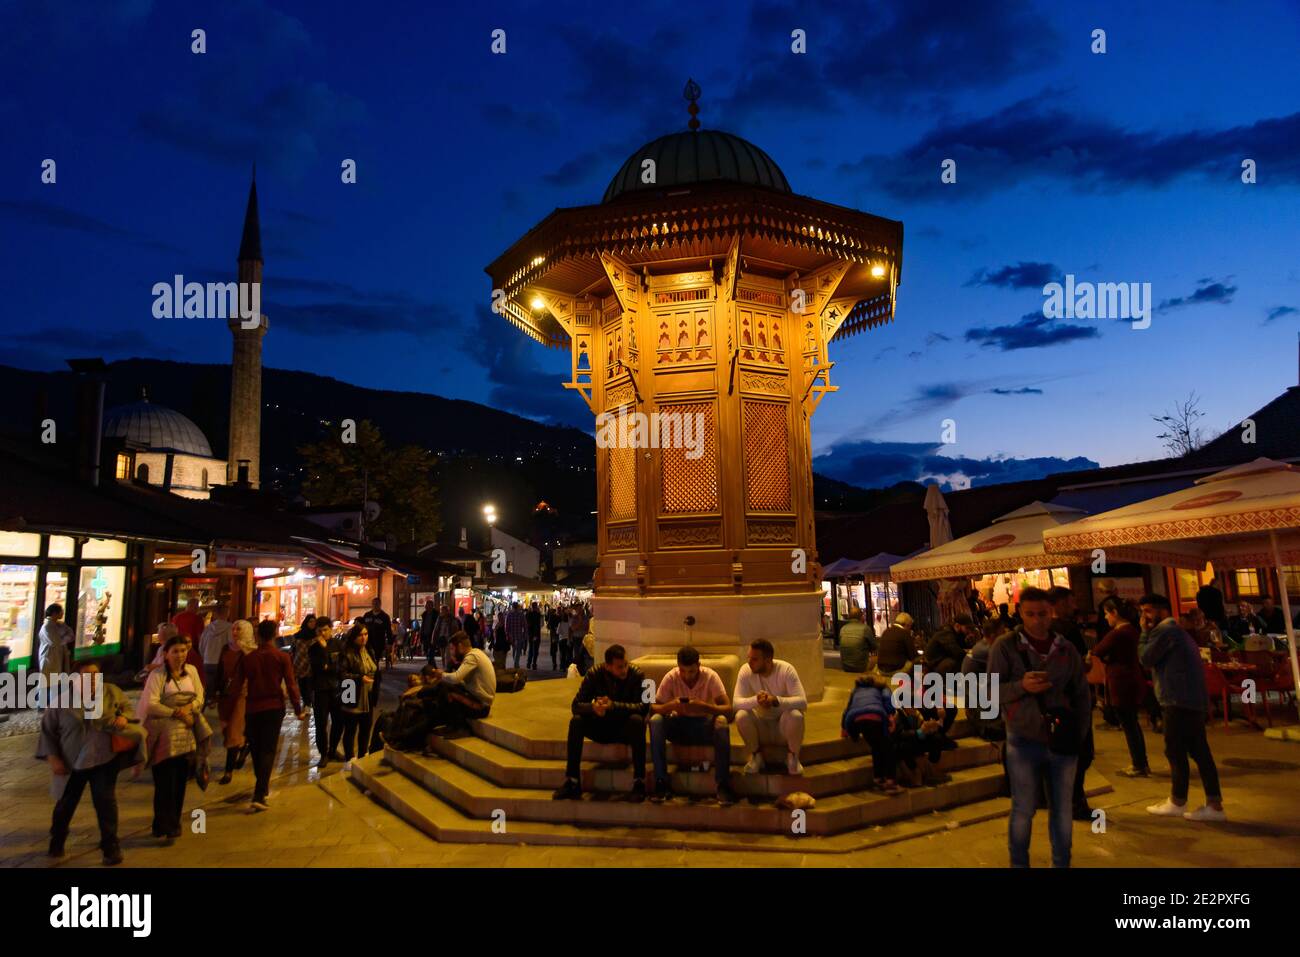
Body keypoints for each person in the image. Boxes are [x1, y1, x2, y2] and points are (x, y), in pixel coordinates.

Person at [987, 586, 1089, 868]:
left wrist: (1079, 733)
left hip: (1062, 740)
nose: (1036, 620)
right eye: (1030, 614)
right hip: (1022, 739)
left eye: (1042, 614)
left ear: (1051, 613)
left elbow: (1082, 694)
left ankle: (1061, 863)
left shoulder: (1066, 648)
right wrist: (1022, 686)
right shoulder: (1005, 647)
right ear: (1020, 613)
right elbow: (989, 692)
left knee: (1062, 810)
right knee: (1023, 809)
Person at [38, 660, 141, 865]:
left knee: (105, 803)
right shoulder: (62, 701)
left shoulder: (111, 692)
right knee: (66, 805)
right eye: (87, 675)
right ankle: (57, 840)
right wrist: (54, 759)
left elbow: (128, 709)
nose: (93, 679)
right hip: (72, 761)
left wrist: (124, 718)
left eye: (96, 674)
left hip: (104, 757)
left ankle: (110, 846)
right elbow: (47, 733)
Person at [1139, 593, 1225, 821]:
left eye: (1147, 611)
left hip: (1178, 699)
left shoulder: (1166, 631)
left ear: (1162, 610)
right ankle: (1213, 804)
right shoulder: (1178, 632)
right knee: (1198, 750)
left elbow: (1146, 658)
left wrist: (1144, 632)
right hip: (1191, 698)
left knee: (1175, 749)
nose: (1144, 617)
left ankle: (1178, 800)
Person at [552, 644, 649, 802]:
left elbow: (645, 707)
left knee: (637, 721)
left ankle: (639, 782)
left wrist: (613, 706)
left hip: (624, 729)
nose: (624, 669)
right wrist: (593, 708)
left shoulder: (638, 675)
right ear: (608, 666)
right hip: (601, 726)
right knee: (576, 721)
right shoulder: (594, 674)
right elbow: (575, 706)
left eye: (625, 664)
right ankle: (572, 781)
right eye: (619, 667)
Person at [138, 633, 207, 844]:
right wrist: (176, 712)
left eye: (183, 651)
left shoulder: (191, 672)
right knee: (164, 781)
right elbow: (151, 704)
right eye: (175, 651)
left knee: (180, 780)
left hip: (186, 733)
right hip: (163, 734)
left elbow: (200, 696)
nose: (180, 655)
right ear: (165, 654)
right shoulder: (158, 675)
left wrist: (190, 708)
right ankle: (163, 823)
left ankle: (172, 822)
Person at [228, 620, 303, 811]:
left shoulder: (248, 658)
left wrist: (229, 709)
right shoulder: (281, 657)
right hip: (273, 706)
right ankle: (260, 792)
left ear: (258, 635)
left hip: (253, 707)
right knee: (268, 749)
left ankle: (261, 787)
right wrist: (297, 708)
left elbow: (236, 685)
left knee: (256, 747)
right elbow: (291, 684)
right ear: (275, 634)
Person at [648, 646, 735, 805]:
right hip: (679, 725)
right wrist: (672, 706)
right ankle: (661, 781)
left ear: (699, 665)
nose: (687, 676)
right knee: (656, 721)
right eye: (683, 671)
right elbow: (653, 707)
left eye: (692, 671)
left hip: (703, 725)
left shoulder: (710, 676)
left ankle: (722, 783)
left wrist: (704, 707)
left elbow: (728, 710)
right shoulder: (671, 677)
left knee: (721, 722)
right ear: (678, 666)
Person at [1048, 586, 1093, 820]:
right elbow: (1082, 664)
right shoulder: (1067, 631)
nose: (1073, 607)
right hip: (1073, 700)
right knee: (1081, 752)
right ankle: (1074, 801)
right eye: (1069, 602)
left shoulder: (1043, 633)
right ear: (1057, 604)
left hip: (1056, 701)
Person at [1091, 597, 1149, 777]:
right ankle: (1141, 763)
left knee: (1129, 725)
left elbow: (1098, 651)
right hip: (1132, 678)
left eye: (1107, 614)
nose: (1106, 618)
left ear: (1115, 613)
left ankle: (1138, 764)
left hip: (1121, 682)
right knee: (1133, 724)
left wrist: (1106, 658)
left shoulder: (1118, 633)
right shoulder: (1132, 630)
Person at [733, 639, 807, 776]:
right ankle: (756, 756)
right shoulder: (745, 670)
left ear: (768, 660)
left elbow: (802, 702)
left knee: (796, 715)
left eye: (754, 659)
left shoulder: (786, 670)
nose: (749, 662)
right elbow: (736, 703)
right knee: (741, 715)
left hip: (782, 727)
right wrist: (757, 700)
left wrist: (776, 700)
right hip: (760, 727)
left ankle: (792, 757)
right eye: (749, 657)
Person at [840, 671, 903, 795]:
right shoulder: (882, 688)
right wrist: (891, 714)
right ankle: (890, 782)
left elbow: (847, 709)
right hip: (875, 717)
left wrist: (844, 728)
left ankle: (878, 779)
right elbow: (889, 704)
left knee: (876, 747)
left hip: (856, 720)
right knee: (889, 748)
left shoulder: (856, 690)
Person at [424, 631, 496, 734]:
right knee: (446, 686)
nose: (451, 653)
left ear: (460, 646)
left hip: (481, 706)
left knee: (444, 688)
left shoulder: (472, 657)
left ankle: (458, 727)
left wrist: (441, 675)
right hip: (479, 700)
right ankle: (450, 724)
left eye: (452, 649)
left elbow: (456, 678)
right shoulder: (475, 653)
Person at [216, 619, 255, 784]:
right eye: (233, 629)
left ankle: (228, 771)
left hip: (242, 695)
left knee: (233, 730)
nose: (235, 632)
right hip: (226, 694)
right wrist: (215, 691)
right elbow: (220, 670)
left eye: (238, 629)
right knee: (227, 730)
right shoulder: (226, 648)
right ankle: (245, 747)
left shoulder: (251, 651)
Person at [308, 617, 345, 767]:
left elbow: (340, 667)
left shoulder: (338, 644)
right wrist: (323, 650)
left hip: (337, 689)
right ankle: (323, 753)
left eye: (325, 630)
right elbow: (318, 668)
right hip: (320, 689)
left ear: (331, 629)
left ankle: (333, 749)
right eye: (320, 631)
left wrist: (328, 667)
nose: (323, 633)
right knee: (320, 723)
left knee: (339, 721)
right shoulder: (314, 648)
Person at [339, 625, 377, 765]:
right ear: (354, 637)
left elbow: (375, 670)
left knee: (366, 726)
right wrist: (359, 678)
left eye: (366, 634)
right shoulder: (347, 653)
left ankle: (362, 754)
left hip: (367, 695)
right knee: (350, 728)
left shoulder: (369, 651)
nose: (364, 638)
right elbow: (342, 675)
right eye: (360, 635)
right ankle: (349, 758)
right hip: (351, 693)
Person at [38, 603, 75, 703]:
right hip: (49, 658)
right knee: (47, 683)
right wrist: (64, 637)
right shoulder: (47, 627)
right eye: (60, 611)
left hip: (57, 658)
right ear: (55, 613)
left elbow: (70, 634)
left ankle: (52, 705)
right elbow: (55, 642)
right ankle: (43, 704)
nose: (62, 613)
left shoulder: (58, 625)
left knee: (54, 683)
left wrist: (63, 637)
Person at [198, 603, 233, 700]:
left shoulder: (208, 628)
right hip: (221, 662)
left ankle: (208, 706)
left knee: (209, 688)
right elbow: (231, 645)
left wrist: (204, 657)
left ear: (215, 614)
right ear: (227, 614)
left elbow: (201, 646)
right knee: (222, 689)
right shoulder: (230, 628)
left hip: (208, 661)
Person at [291, 616, 316, 714]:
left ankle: (308, 704)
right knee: (302, 684)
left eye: (314, 622)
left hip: (311, 663)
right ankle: (306, 702)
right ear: (306, 622)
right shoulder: (297, 635)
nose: (312, 624)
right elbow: (293, 649)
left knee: (309, 685)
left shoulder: (316, 636)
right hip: (299, 663)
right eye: (310, 621)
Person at [362, 597, 392, 669]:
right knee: (367, 655)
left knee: (376, 657)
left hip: (378, 640)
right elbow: (362, 626)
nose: (375, 605)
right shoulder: (367, 615)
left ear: (380, 604)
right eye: (373, 604)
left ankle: (375, 670)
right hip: (367, 640)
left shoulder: (384, 617)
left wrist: (389, 643)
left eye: (376, 604)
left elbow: (388, 630)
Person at [505, 601, 528, 669]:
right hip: (519, 635)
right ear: (517, 607)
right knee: (518, 650)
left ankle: (515, 662)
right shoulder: (521, 615)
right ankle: (516, 663)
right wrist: (525, 635)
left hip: (512, 636)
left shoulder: (509, 615)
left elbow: (507, 626)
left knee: (514, 649)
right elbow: (525, 625)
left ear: (512, 607)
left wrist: (507, 634)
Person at [525, 601, 543, 670]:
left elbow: (527, 624)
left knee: (531, 649)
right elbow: (539, 625)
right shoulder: (538, 614)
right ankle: (534, 664)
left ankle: (529, 663)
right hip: (536, 634)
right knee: (535, 650)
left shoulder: (528, 614)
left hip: (530, 634)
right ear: (536, 606)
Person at [546, 605, 562, 670]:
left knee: (555, 649)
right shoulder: (561, 617)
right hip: (559, 635)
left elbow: (548, 626)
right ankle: (558, 664)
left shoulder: (554, 616)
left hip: (555, 635)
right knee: (558, 650)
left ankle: (556, 663)